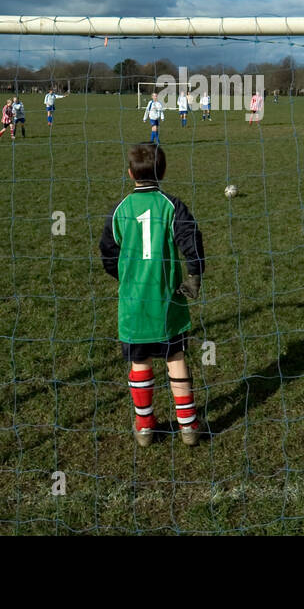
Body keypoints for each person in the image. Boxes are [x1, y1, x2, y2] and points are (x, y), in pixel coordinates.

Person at [99, 143, 206, 447]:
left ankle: (145, 426)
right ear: (163, 171)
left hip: (133, 304)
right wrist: (194, 274)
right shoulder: (172, 206)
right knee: (175, 357)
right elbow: (191, 240)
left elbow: (107, 253)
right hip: (167, 301)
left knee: (139, 360)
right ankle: (188, 426)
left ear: (130, 173)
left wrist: (126, 277)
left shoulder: (119, 211)